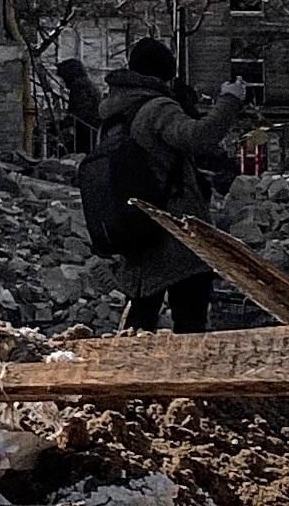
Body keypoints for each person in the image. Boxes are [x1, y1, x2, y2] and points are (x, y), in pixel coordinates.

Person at [95, 38, 249, 333]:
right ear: (165, 74)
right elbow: (198, 137)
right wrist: (230, 100)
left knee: (139, 324)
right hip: (176, 232)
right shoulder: (156, 108)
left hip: (136, 231)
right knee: (190, 325)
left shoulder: (114, 115)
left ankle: (129, 363)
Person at [55, 58, 105, 155]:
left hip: (87, 129)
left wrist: (62, 124)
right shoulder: (87, 84)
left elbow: (81, 112)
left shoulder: (79, 86)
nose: (64, 82)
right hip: (92, 128)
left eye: (64, 78)